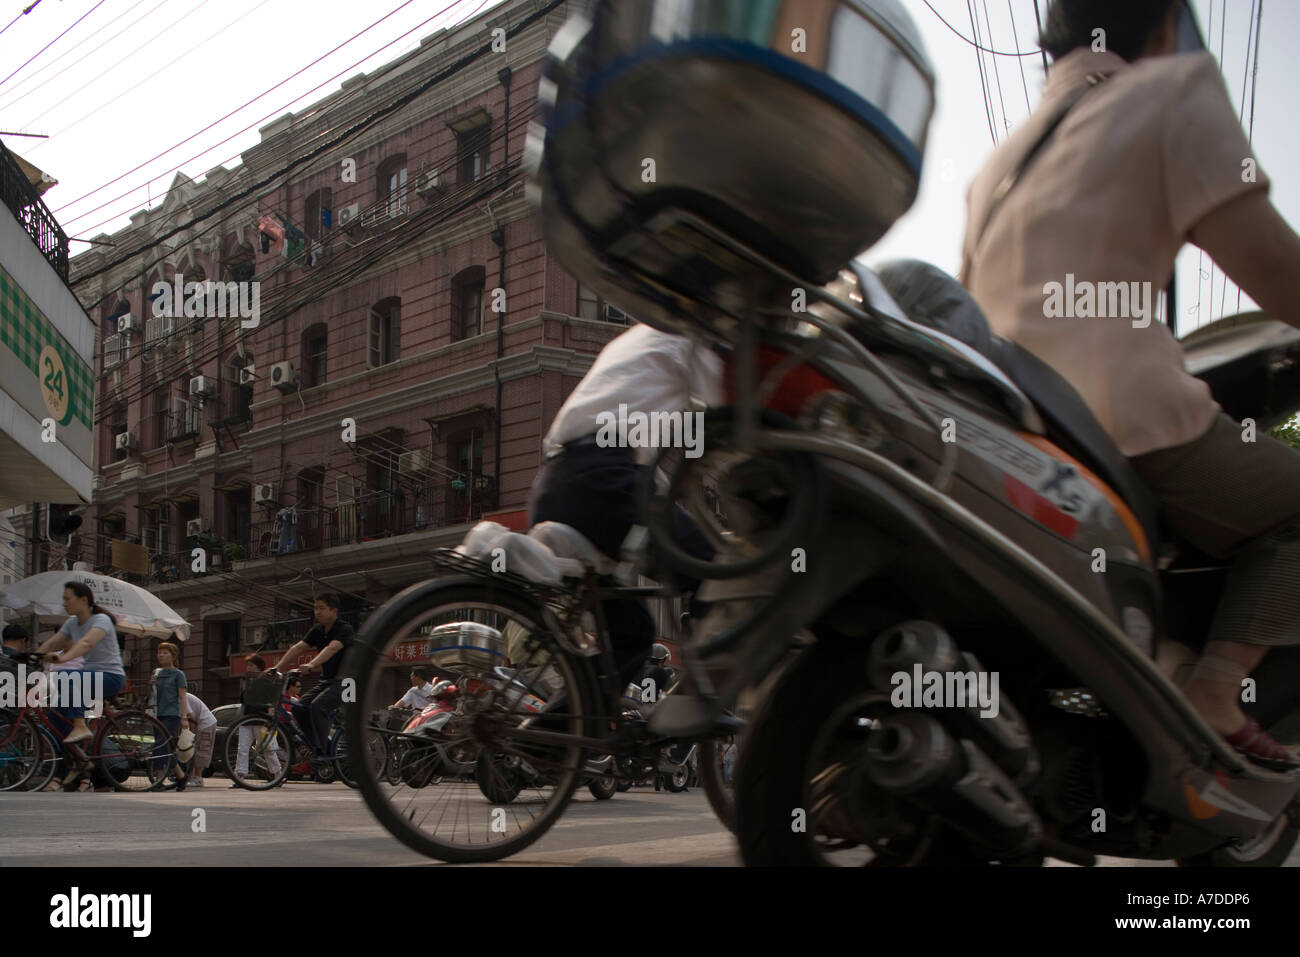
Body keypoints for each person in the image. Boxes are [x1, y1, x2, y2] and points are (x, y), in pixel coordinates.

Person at [960, 0, 1300, 765]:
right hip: (1122, 420)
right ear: (1161, 28)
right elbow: (1275, 269)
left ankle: (1161, 663)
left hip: (1009, 428)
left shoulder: (998, 163)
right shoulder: (1174, 90)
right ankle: (1215, 688)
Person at [530, 322, 722, 697]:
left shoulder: (634, 340)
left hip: (553, 484)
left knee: (632, 635)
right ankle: (699, 699)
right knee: (714, 571)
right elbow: (732, 415)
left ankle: (553, 738)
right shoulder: (691, 337)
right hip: (603, 482)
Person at [34, 582, 127, 751]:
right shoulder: (72, 622)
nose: (64, 603)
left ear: (83, 600)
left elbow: (86, 643)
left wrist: (63, 659)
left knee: (67, 676)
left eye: (68, 599)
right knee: (56, 714)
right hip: (88, 677)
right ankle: (78, 760)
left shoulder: (101, 620)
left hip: (111, 677)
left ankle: (80, 726)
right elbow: (54, 641)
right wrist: (35, 654)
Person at [276, 594, 354, 759]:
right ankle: (318, 747)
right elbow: (298, 648)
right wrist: (277, 667)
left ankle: (322, 750)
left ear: (334, 611)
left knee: (318, 706)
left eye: (321, 608)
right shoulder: (318, 630)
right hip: (328, 682)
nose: (317, 612)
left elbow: (331, 648)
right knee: (298, 708)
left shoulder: (344, 629)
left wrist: (312, 664)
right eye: (315, 608)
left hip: (349, 683)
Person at [232, 655, 284, 788]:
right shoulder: (247, 681)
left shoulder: (267, 681)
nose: (248, 668)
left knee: (267, 749)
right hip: (246, 720)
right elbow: (243, 700)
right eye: (248, 665)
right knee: (242, 749)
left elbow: (271, 701)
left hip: (261, 720)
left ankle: (278, 774)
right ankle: (239, 777)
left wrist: (269, 719)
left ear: (259, 668)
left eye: (251, 665)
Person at [152, 642, 190, 790]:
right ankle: (181, 776)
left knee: (160, 745)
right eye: (159, 652)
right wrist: (152, 684)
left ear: (173, 656)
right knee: (165, 747)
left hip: (171, 714)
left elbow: (183, 697)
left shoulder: (179, 674)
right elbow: (152, 696)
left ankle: (158, 780)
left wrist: (184, 717)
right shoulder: (157, 673)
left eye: (165, 652)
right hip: (156, 714)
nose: (161, 655)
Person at [182, 691, 219, 786]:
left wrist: (190, 735)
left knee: (201, 750)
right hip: (199, 722)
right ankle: (191, 777)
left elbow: (190, 717)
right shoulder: (177, 696)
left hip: (206, 723)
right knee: (193, 750)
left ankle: (198, 778)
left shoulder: (182, 697)